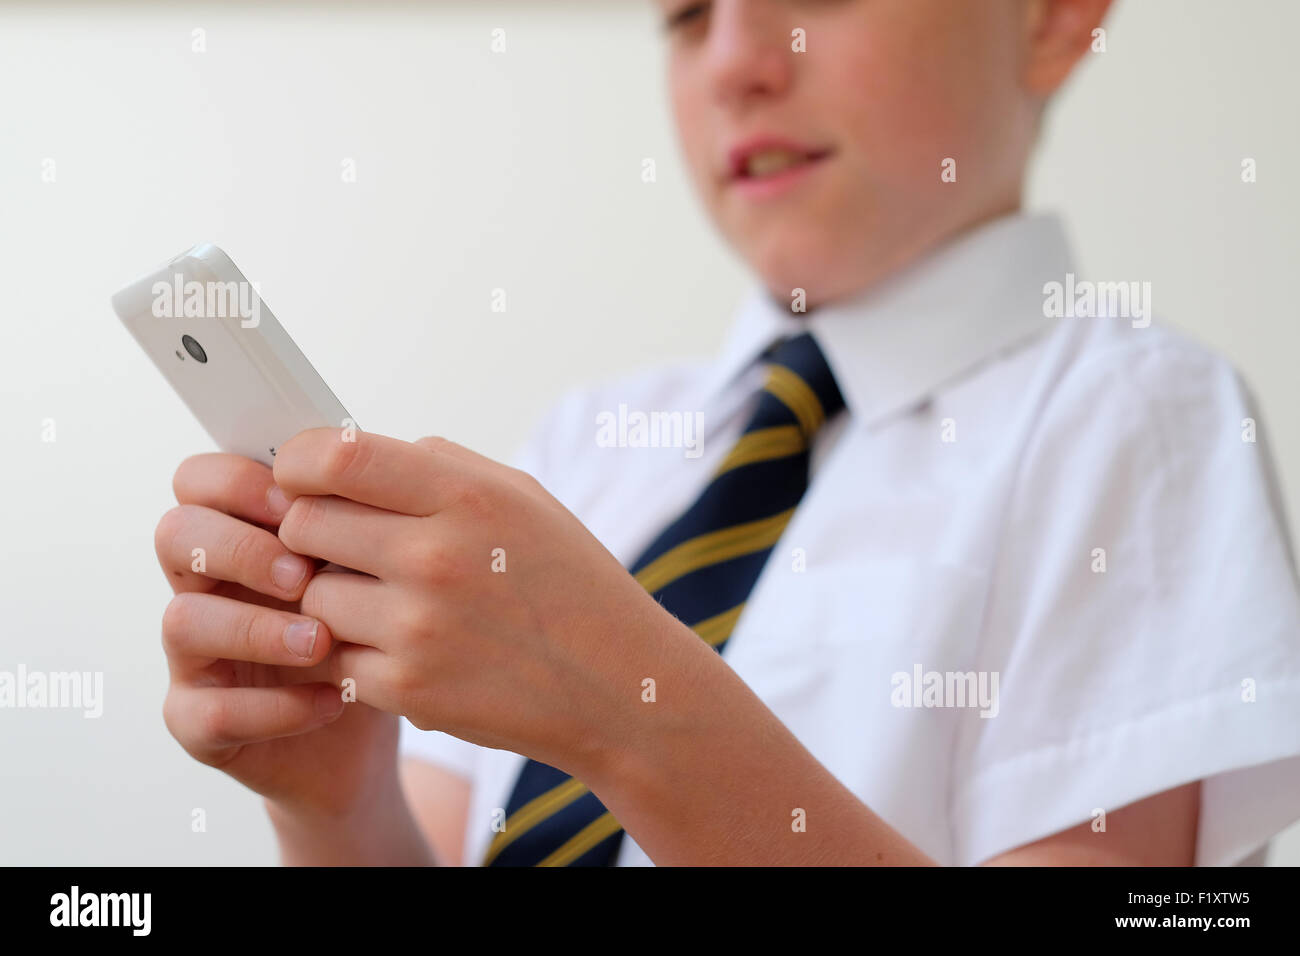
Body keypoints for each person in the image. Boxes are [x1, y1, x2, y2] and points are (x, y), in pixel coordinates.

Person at [154, 0, 1300, 866]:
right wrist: (335, 803)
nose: (738, 63)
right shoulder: (585, 446)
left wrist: (630, 707)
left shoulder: (1135, 421)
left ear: (1052, 19)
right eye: (686, 14)